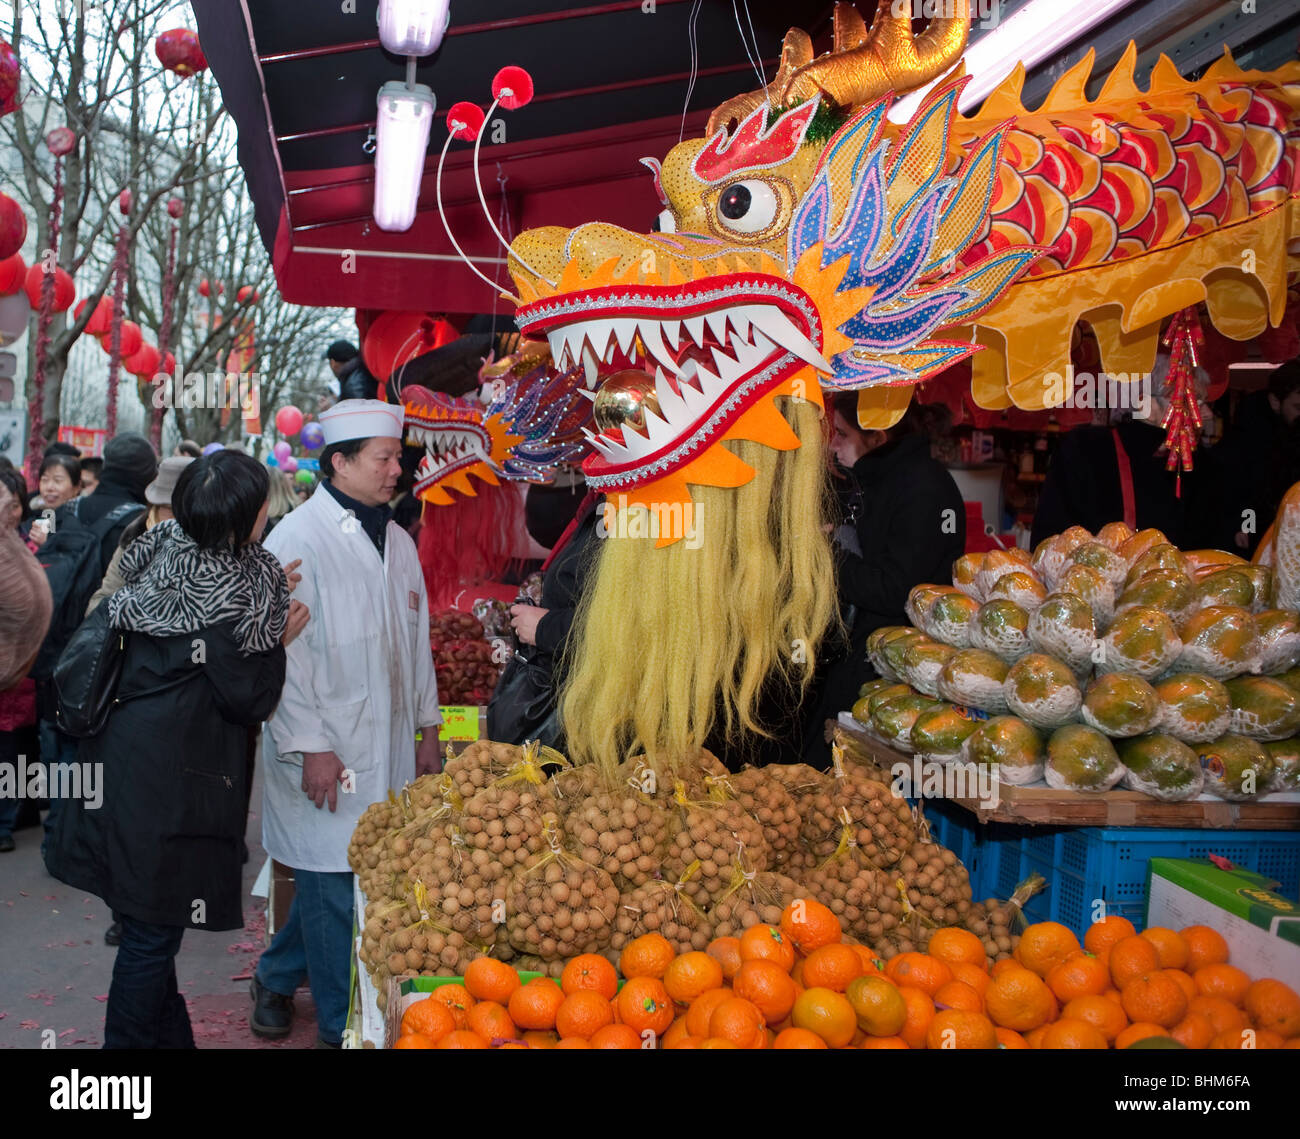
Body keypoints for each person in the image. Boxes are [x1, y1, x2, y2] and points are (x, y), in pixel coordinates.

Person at [46, 450, 307, 1049]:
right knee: (150, 938)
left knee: (145, 923)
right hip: (181, 779)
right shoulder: (259, 576)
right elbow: (250, 698)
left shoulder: (153, 542)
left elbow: (108, 611)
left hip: (115, 759)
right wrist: (278, 642)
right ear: (249, 515)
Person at [251, 399, 441, 1048]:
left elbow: (417, 644)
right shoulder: (296, 540)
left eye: (397, 457)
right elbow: (285, 653)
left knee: (347, 873)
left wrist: (428, 727)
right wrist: (309, 746)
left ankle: (277, 972)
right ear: (340, 462)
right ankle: (339, 1027)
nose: (397, 469)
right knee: (332, 876)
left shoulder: (400, 540)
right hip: (325, 745)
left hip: (384, 740)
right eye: (384, 458)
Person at [804, 395, 967, 766]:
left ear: (877, 435)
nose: (833, 445)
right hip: (863, 654)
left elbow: (898, 590)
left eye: (842, 434)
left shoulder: (922, 487)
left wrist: (827, 556)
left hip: (894, 666)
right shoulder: (875, 480)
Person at [1209, 359, 1300, 556]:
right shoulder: (1251, 439)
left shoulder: (1279, 432)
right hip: (1256, 535)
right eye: (1298, 407)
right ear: (1275, 401)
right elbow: (1246, 492)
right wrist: (1246, 525)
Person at [0, 470, 45, 853]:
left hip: (18, 670)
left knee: (12, 747)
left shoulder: (32, 545)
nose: (8, 513)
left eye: (14, 505)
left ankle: (5, 821)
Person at [86, 456, 194, 615]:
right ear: (155, 506)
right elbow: (103, 599)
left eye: (183, 510)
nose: (176, 519)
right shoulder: (135, 537)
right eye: (169, 509)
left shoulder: (211, 548)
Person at [26, 453, 81, 543]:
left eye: (58, 481)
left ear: (76, 487)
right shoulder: (31, 518)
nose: (49, 487)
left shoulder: (80, 523)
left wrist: (47, 544)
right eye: (45, 480)